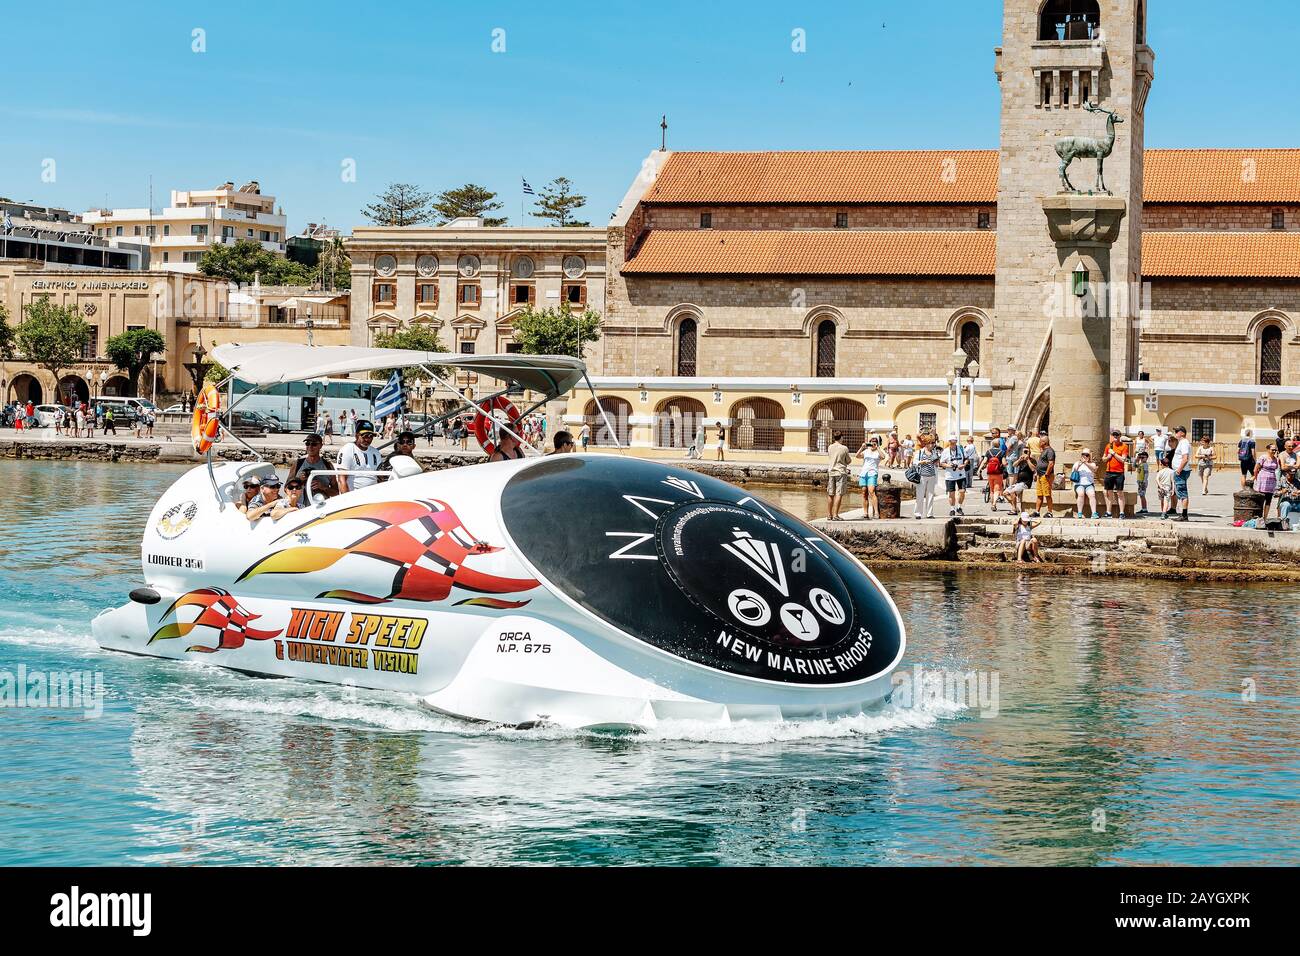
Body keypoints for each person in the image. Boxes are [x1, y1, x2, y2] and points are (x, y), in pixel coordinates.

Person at [337, 420, 382, 493]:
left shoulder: (376, 453)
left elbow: (381, 478)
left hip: (373, 495)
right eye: (364, 436)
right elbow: (341, 480)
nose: (367, 439)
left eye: (371, 436)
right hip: (354, 496)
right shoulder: (348, 449)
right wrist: (347, 500)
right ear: (356, 435)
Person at [291, 434, 337, 502]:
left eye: (314, 444)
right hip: (300, 508)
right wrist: (299, 481)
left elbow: (336, 493)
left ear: (321, 446)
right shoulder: (298, 464)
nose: (310, 447)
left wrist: (323, 487)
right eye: (307, 444)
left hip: (321, 508)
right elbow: (286, 488)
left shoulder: (328, 466)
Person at [1101, 429, 1129, 518]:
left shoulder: (1124, 446)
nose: (1115, 436)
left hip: (1119, 473)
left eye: (1117, 435)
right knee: (1109, 492)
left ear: (1120, 436)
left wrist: (1114, 453)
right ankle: (1108, 512)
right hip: (1109, 472)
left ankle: (1121, 513)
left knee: (1120, 493)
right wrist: (1108, 456)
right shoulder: (1108, 446)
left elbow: (1123, 459)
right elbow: (1103, 459)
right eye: (1114, 435)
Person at [939, 435, 969, 517]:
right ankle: (952, 509)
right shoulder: (945, 451)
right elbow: (941, 463)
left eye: (954, 442)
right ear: (949, 442)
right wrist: (950, 466)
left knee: (962, 491)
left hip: (961, 474)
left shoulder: (961, 449)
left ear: (956, 442)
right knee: (951, 493)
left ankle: (959, 507)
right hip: (950, 475)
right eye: (951, 442)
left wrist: (963, 464)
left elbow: (966, 459)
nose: (953, 444)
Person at [913, 433, 940, 519]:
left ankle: (929, 514)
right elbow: (914, 462)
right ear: (926, 443)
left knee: (931, 496)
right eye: (930, 443)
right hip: (922, 476)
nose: (932, 445)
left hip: (932, 476)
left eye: (933, 443)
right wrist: (922, 462)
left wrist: (936, 461)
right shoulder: (920, 452)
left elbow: (937, 464)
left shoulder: (934, 452)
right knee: (920, 495)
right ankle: (918, 513)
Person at [1169, 425, 1193, 522]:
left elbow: (1185, 458)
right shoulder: (1181, 442)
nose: (1175, 433)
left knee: (1182, 493)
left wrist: (1179, 469)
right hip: (1180, 471)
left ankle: (1184, 515)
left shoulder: (1184, 443)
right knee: (1180, 492)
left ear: (1182, 433)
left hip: (1181, 471)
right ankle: (1183, 514)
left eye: (1177, 432)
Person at [826, 431, 852, 520]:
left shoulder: (830, 447)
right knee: (839, 494)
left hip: (831, 472)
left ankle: (829, 515)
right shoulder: (844, 448)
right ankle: (835, 515)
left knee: (830, 494)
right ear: (841, 437)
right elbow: (848, 461)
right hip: (840, 472)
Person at [856, 435, 882, 520]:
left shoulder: (878, 452)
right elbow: (857, 456)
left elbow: (883, 457)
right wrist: (862, 447)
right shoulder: (866, 451)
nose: (872, 443)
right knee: (864, 493)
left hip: (872, 473)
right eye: (871, 442)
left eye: (875, 442)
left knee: (871, 491)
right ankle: (865, 513)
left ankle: (876, 512)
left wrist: (877, 448)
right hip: (864, 473)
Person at [1253, 444, 1281, 521]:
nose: (1274, 451)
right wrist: (1256, 479)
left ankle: (1265, 517)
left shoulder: (1276, 459)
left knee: (1269, 499)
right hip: (1262, 480)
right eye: (1272, 449)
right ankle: (1259, 517)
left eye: (1275, 450)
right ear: (1268, 449)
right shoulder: (1263, 457)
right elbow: (1255, 469)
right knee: (1261, 499)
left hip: (1271, 481)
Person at [1005, 449, 1034, 514]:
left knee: (1012, 492)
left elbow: (1033, 469)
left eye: (1027, 452)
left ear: (1029, 453)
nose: (1025, 453)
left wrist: (1028, 460)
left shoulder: (1032, 460)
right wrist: (1019, 460)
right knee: (1005, 493)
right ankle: (1015, 507)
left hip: (1025, 483)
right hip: (1018, 483)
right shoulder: (1021, 460)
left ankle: (1014, 509)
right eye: (1024, 452)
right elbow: (1014, 465)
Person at [1034, 434, 1056, 517]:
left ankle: (1050, 512)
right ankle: (1037, 512)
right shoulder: (1043, 450)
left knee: (1047, 494)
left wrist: (1047, 474)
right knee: (1039, 494)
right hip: (1040, 475)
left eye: (1040, 441)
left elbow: (1051, 463)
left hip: (1046, 475)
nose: (1039, 443)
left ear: (1044, 442)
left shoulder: (1050, 451)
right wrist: (1037, 473)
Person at [1073, 449, 1099, 519]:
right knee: (1081, 494)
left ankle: (1094, 513)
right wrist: (1079, 464)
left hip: (1089, 484)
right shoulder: (1077, 463)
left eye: (1087, 455)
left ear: (1089, 456)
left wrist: (1086, 463)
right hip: (1079, 484)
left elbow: (1094, 469)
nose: (1085, 456)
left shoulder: (1092, 464)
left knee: (1092, 494)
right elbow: (1074, 471)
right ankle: (1079, 513)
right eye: (1083, 454)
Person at [985, 441, 1006, 512]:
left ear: (992, 444)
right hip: (998, 473)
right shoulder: (1002, 452)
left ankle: (992, 505)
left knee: (991, 490)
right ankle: (994, 504)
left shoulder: (988, 452)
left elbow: (984, 461)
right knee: (997, 490)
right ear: (999, 445)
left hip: (990, 473)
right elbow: (1004, 462)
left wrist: (979, 469)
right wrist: (1005, 464)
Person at [1156, 454, 1176, 518]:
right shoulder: (1172, 472)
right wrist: (1173, 489)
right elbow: (1173, 481)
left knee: (1162, 501)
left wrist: (1160, 485)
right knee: (1166, 501)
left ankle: (1163, 512)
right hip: (1167, 488)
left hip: (1160, 488)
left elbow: (1157, 479)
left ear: (1162, 464)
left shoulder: (1160, 471)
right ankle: (1164, 513)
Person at [1133, 451, 1151, 516]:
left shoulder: (1145, 464)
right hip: (1140, 481)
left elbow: (1146, 473)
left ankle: (1144, 509)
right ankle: (1143, 508)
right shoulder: (1140, 464)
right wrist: (1136, 459)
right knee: (1141, 495)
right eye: (1141, 457)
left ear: (1146, 458)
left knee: (1142, 495)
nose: (1142, 458)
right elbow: (1134, 466)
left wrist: (1144, 481)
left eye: (1144, 457)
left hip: (1142, 482)